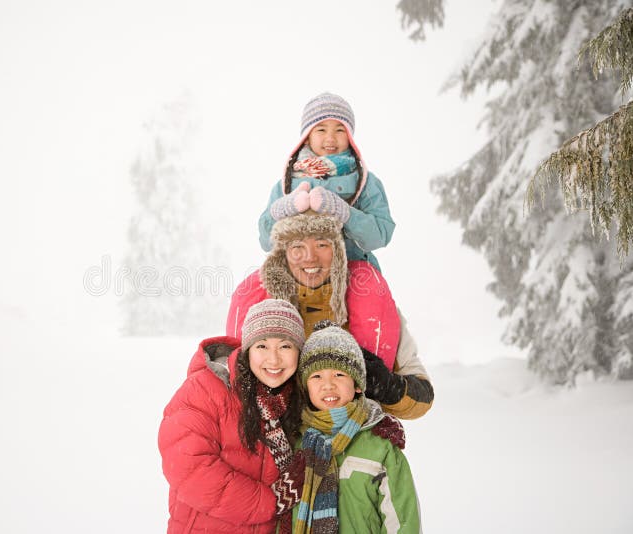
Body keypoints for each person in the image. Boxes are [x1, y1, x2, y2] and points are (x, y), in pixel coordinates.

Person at [227, 211, 433, 420]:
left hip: (356, 442)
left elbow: (422, 398)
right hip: (282, 445)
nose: (310, 257)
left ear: (338, 249)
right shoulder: (260, 313)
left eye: (322, 244)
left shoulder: (372, 305)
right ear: (283, 253)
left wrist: (387, 386)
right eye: (297, 246)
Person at [158, 299, 308, 533]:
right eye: (262, 346)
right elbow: (190, 468)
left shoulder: (296, 400)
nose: (274, 359)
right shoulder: (205, 389)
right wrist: (269, 502)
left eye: (285, 346)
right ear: (247, 350)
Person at [290, 320, 421, 534]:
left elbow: (403, 520)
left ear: (358, 385)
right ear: (305, 387)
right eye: (316, 376)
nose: (328, 384)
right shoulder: (296, 441)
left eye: (339, 374)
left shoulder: (381, 446)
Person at [259, 92, 394, 272]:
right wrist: (282, 211)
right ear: (307, 136)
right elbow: (265, 242)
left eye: (339, 130)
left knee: (372, 297)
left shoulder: (365, 181)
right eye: (321, 130)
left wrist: (346, 213)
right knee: (253, 291)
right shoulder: (287, 182)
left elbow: (380, 235)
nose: (330, 138)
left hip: (353, 272)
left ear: (350, 136)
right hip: (300, 274)